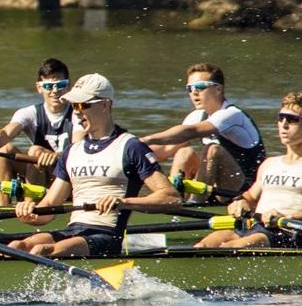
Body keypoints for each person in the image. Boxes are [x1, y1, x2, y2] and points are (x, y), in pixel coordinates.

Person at [11, 75, 182, 258]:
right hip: (74, 231)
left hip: (107, 235)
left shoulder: (131, 147)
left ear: (105, 105)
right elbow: (49, 207)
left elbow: (171, 198)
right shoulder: (72, 151)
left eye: (83, 105)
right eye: (74, 106)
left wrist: (123, 203)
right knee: (16, 246)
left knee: (42, 250)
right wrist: (29, 213)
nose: (76, 112)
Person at [197, 92, 302, 248]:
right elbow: (250, 197)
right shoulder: (270, 163)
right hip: (254, 227)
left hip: (288, 232)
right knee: (202, 247)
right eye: (281, 118)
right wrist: (240, 202)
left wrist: (288, 216)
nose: (284, 124)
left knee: (228, 248)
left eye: (292, 120)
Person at [142, 63, 266, 197]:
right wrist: (133, 149)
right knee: (184, 152)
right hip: (216, 187)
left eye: (200, 87)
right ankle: (172, 198)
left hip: (246, 190)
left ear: (218, 89)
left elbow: (191, 131)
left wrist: (147, 139)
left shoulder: (232, 115)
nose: (194, 92)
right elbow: (165, 150)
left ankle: (196, 201)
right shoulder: (197, 115)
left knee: (213, 150)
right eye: (189, 88)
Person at [0, 58, 74, 206]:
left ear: (68, 86)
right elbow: (5, 134)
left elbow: (78, 147)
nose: (55, 91)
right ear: (39, 87)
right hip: (41, 173)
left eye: (60, 85)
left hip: (70, 176)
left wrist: (57, 156)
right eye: (48, 86)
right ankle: (2, 209)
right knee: (4, 150)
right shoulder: (29, 113)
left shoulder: (79, 113)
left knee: (35, 150)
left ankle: (31, 208)